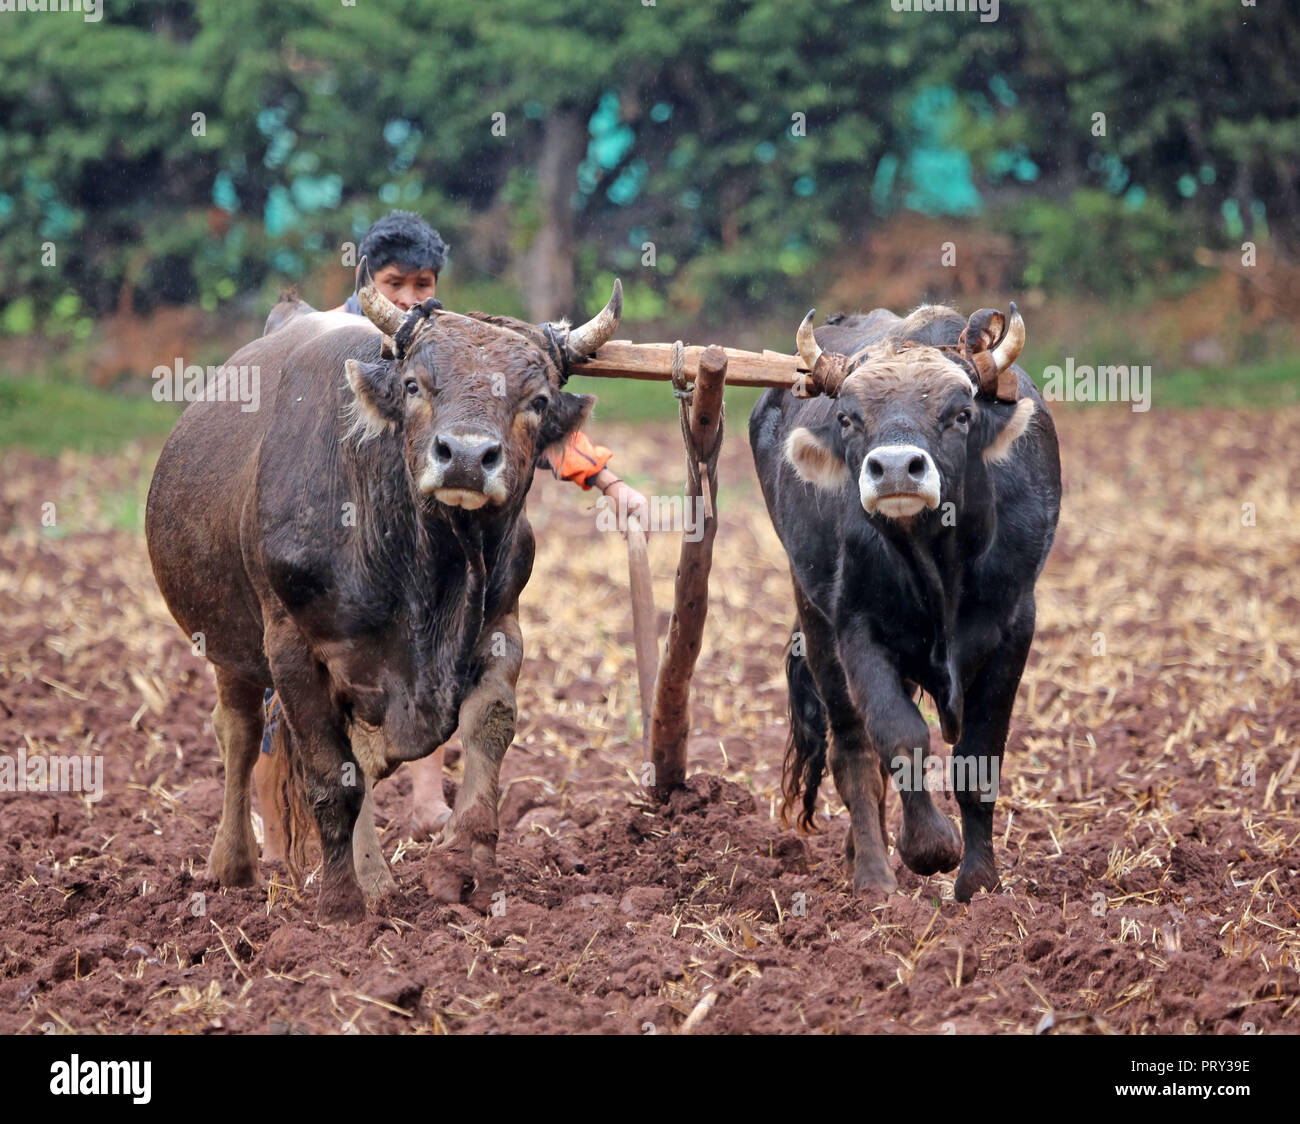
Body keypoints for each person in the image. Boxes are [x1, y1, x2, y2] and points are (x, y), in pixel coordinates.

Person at [253, 210, 648, 856]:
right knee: (286, 679)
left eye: (423, 285)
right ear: (365, 279)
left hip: (421, 544)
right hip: (337, 542)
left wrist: (609, 483)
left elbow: (520, 419)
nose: (410, 298)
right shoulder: (328, 345)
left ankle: (429, 798)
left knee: (432, 648)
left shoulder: (448, 344)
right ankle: (278, 833)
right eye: (394, 284)